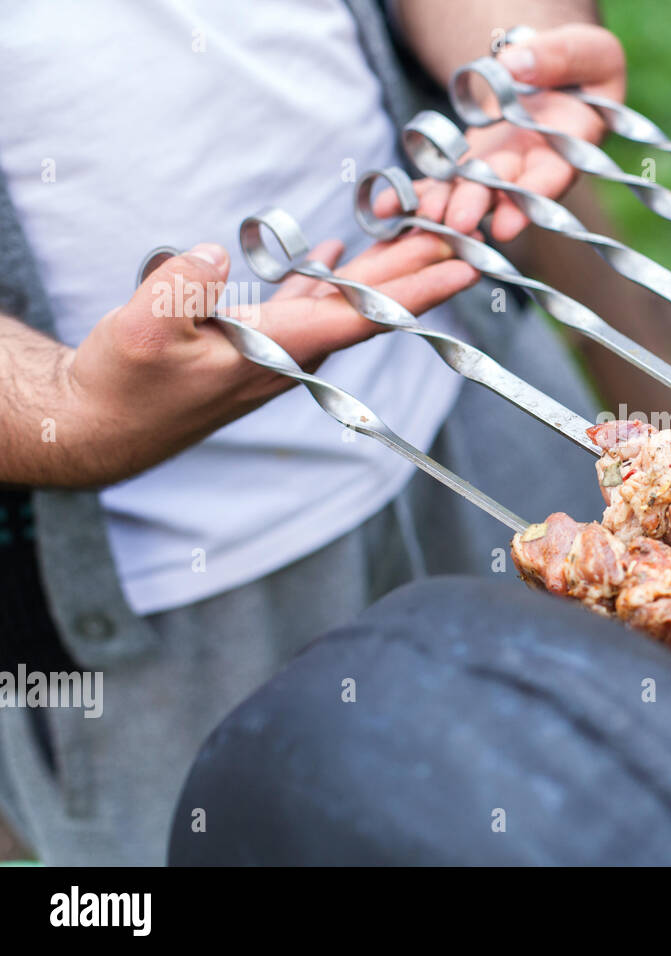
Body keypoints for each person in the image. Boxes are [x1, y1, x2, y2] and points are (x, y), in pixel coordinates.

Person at [0, 0, 625, 865]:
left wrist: (517, 51)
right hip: (151, 610)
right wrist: (59, 409)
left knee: (637, 799)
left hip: (479, 381)